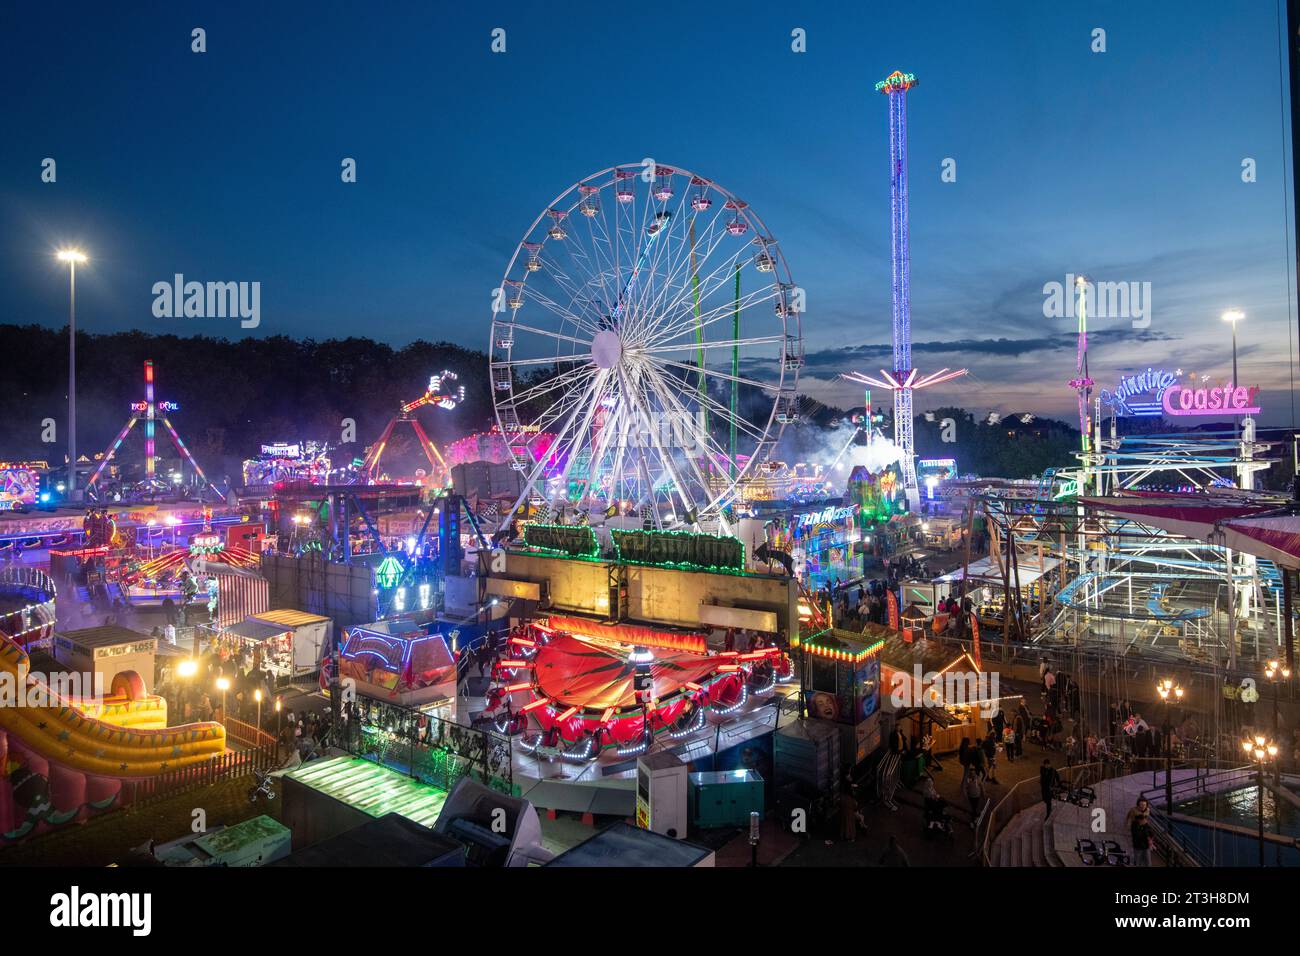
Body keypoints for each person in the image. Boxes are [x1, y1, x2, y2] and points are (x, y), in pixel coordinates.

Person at [1127, 797, 1153, 866]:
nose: (1142, 806)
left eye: (1144, 805)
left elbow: (1150, 831)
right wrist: (1148, 837)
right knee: (1138, 861)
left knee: (1148, 862)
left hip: (1146, 845)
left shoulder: (1146, 821)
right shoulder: (1135, 823)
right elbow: (1137, 834)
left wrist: (1150, 837)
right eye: (1141, 805)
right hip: (1138, 845)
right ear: (1138, 805)